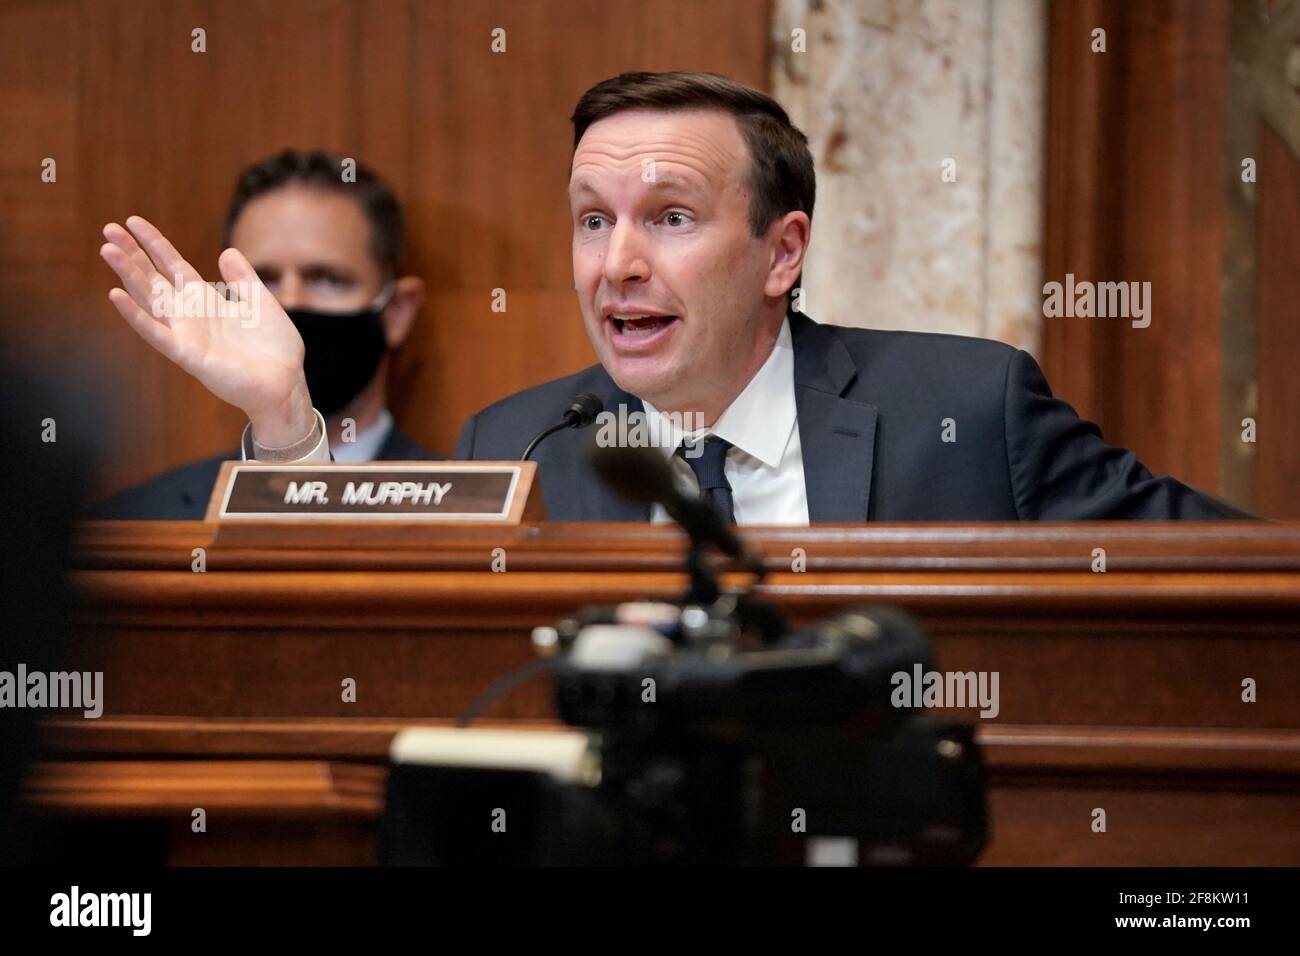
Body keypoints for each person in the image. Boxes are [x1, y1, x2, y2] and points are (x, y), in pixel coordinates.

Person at [98, 73, 1249, 523]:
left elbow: (1224, 583)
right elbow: (363, 658)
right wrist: (291, 426)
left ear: (781, 250)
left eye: (672, 218)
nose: (616, 263)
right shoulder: (521, 446)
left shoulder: (967, 407)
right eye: (593, 220)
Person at [93, 150, 439, 520]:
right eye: (261, 280)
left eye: (326, 278)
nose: (288, 302)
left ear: (397, 311)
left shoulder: (465, 512)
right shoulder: (129, 521)